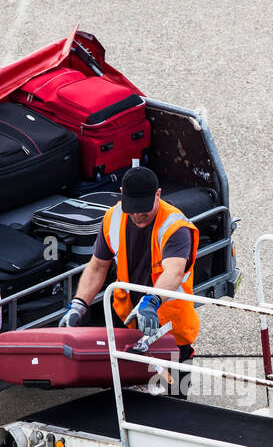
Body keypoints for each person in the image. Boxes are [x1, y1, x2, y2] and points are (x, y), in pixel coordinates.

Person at [58, 167, 199, 394]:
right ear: (122, 193)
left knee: (173, 392)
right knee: (121, 390)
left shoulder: (175, 227)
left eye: (144, 210)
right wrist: (79, 304)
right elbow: (97, 266)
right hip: (127, 316)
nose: (137, 216)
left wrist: (151, 301)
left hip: (168, 324)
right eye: (132, 209)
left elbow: (173, 272)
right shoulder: (113, 217)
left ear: (158, 194)